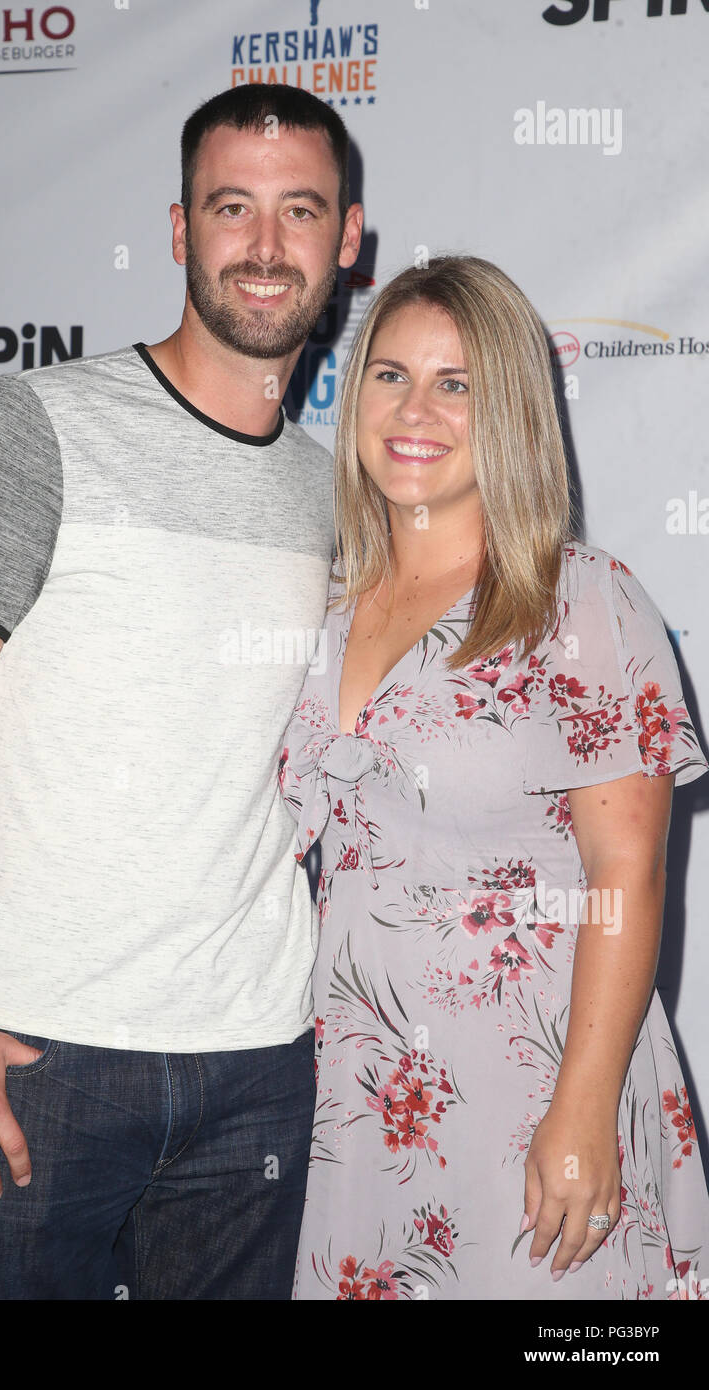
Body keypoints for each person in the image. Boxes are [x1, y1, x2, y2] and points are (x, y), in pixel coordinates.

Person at [0, 83, 363, 1300]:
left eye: (297, 211)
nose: (261, 246)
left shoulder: (335, 496)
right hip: (36, 1057)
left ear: (347, 241)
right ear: (179, 227)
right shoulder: (33, 426)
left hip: (255, 1057)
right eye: (229, 208)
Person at [277, 255, 709, 1300]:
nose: (412, 408)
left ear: (507, 407)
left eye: (454, 382)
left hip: (538, 1095)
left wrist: (582, 1111)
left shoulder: (580, 601)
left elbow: (625, 871)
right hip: (354, 1109)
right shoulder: (317, 600)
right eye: (387, 375)